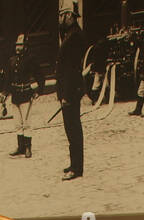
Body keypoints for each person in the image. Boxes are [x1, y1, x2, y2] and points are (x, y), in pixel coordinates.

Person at [56, 4, 86, 180]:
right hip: (69, 90)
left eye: (61, 16)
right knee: (71, 128)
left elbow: (71, 69)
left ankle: (77, 167)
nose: (60, 20)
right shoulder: (69, 34)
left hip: (71, 91)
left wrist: (66, 94)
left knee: (73, 128)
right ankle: (74, 163)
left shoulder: (74, 37)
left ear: (69, 16)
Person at [3, 34, 40, 158]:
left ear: (25, 47)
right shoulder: (11, 61)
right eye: (17, 45)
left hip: (26, 94)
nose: (18, 48)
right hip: (15, 96)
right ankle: (20, 147)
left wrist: (38, 90)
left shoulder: (31, 59)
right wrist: (4, 93)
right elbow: (7, 79)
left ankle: (28, 147)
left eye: (21, 45)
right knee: (17, 123)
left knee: (27, 122)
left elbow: (40, 75)